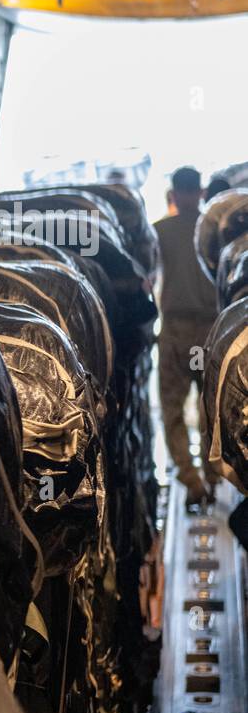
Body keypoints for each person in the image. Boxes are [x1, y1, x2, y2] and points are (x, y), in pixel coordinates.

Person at [154, 166, 219, 505]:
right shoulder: (214, 229)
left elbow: (147, 278)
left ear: (174, 194)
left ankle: (191, 479)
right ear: (201, 192)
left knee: (173, 409)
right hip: (209, 333)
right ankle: (213, 473)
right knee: (209, 406)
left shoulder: (160, 231)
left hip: (177, 332)